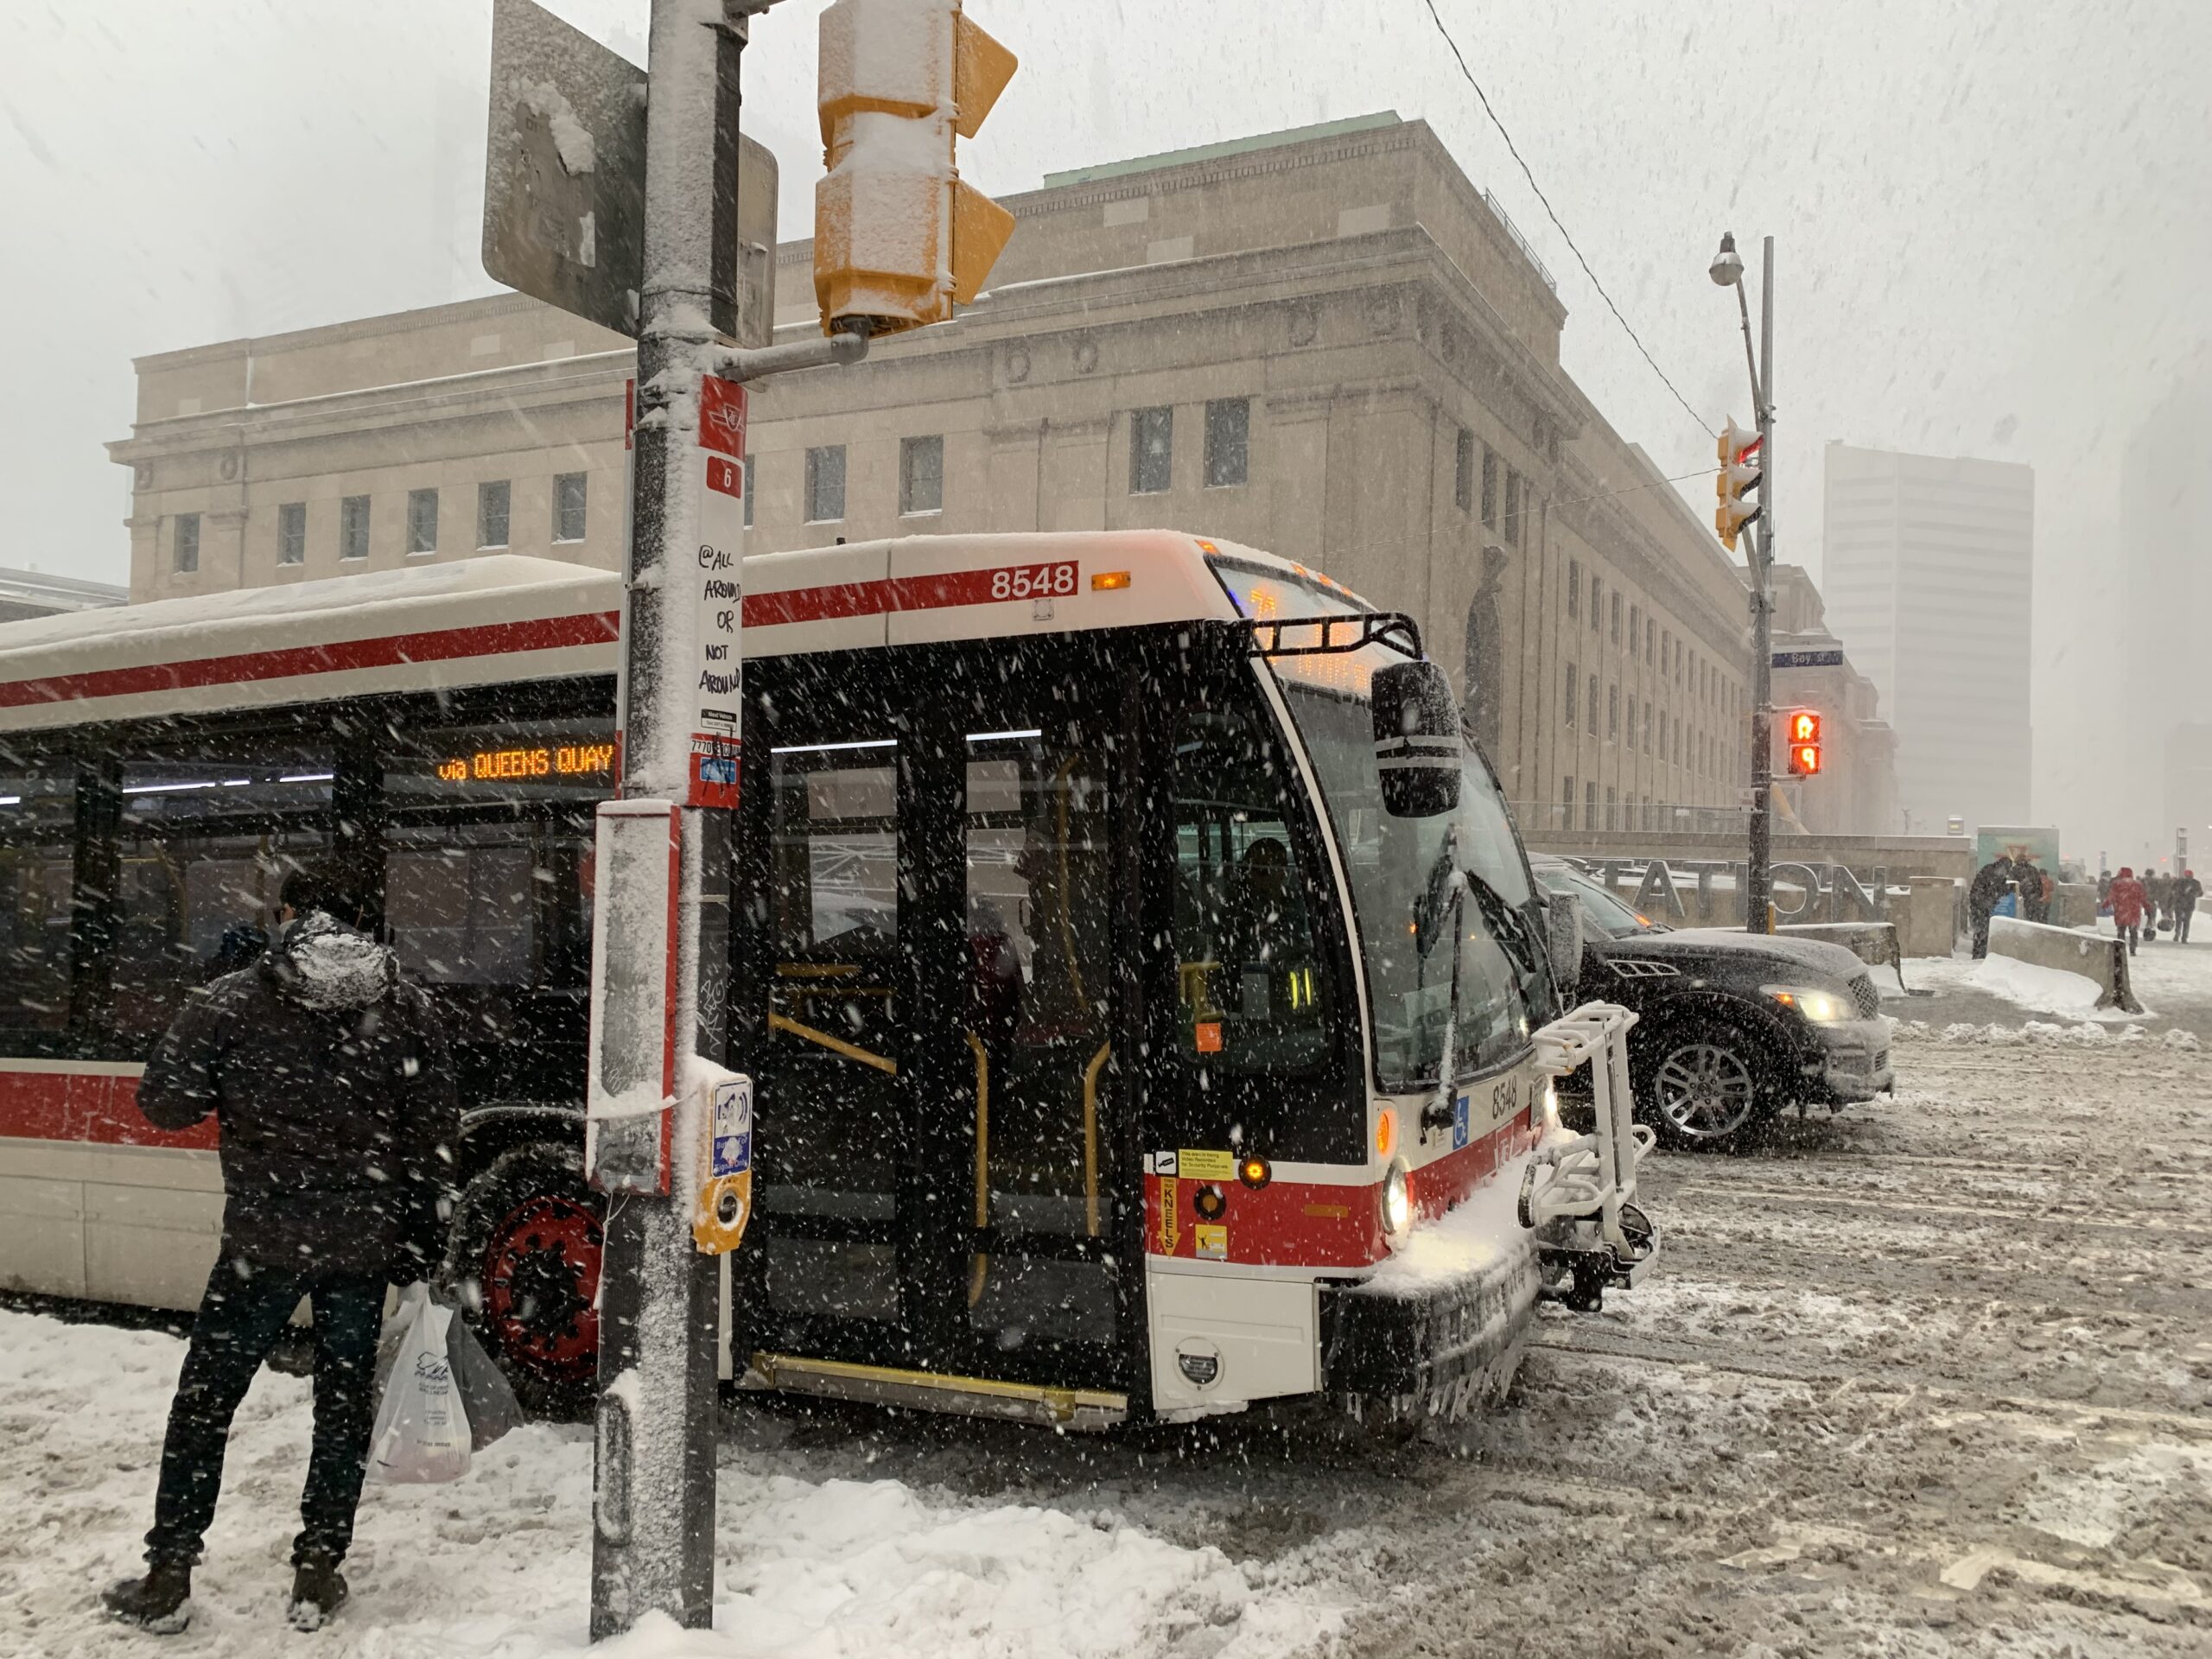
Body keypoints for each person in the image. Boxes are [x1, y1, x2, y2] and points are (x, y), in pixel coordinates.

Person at [102, 865, 458, 1635]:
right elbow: (434, 1133)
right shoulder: (407, 1005)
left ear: (290, 913)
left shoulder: (232, 998)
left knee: (206, 1401)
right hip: (363, 1243)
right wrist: (421, 1237)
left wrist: (223, 1046)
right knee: (342, 1405)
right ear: (365, 920)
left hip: (261, 1242)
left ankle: (169, 1574)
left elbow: (165, 1104)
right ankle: (318, 1571)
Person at [1967, 854, 2016, 959]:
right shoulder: (1992, 873)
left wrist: (2007, 889)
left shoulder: (1992, 871)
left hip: (1981, 905)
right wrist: (1987, 900)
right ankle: (1979, 956)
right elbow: (1993, 889)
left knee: (1982, 932)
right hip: (1980, 906)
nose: (2006, 873)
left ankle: (1979, 955)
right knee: (1982, 931)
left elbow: (1996, 890)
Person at [2107, 866, 2148, 956]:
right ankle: (2133, 949)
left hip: (2121, 911)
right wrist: (2147, 906)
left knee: (2121, 931)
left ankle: (2120, 949)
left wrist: (2105, 904)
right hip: (2134, 911)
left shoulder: (2117, 884)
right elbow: (2142, 897)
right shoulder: (2137, 885)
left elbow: (2112, 897)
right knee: (2133, 931)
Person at [2177, 868, 2202, 944]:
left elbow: (2200, 893)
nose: (2189, 877)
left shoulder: (2195, 883)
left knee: (2184, 921)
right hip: (2184, 904)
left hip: (2186, 904)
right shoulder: (2181, 882)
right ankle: (2180, 935)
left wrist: (2195, 894)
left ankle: (2182, 936)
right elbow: (2177, 891)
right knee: (2183, 921)